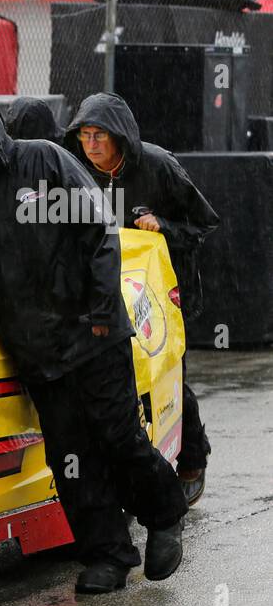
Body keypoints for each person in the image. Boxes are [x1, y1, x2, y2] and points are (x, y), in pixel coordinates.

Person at [0, 86, 187, 594]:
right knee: (70, 457)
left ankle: (165, 511)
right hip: (35, 352)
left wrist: (99, 314)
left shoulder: (42, 161)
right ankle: (108, 555)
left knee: (118, 436)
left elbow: (98, 232)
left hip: (92, 334)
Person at [63, 93, 219, 505]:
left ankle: (192, 458)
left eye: (100, 136)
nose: (91, 145)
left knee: (171, 372)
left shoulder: (158, 166)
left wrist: (163, 225)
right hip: (111, 295)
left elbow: (204, 223)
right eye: (85, 135)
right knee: (120, 381)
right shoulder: (78, 172)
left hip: (168, 292)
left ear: (120, 138)